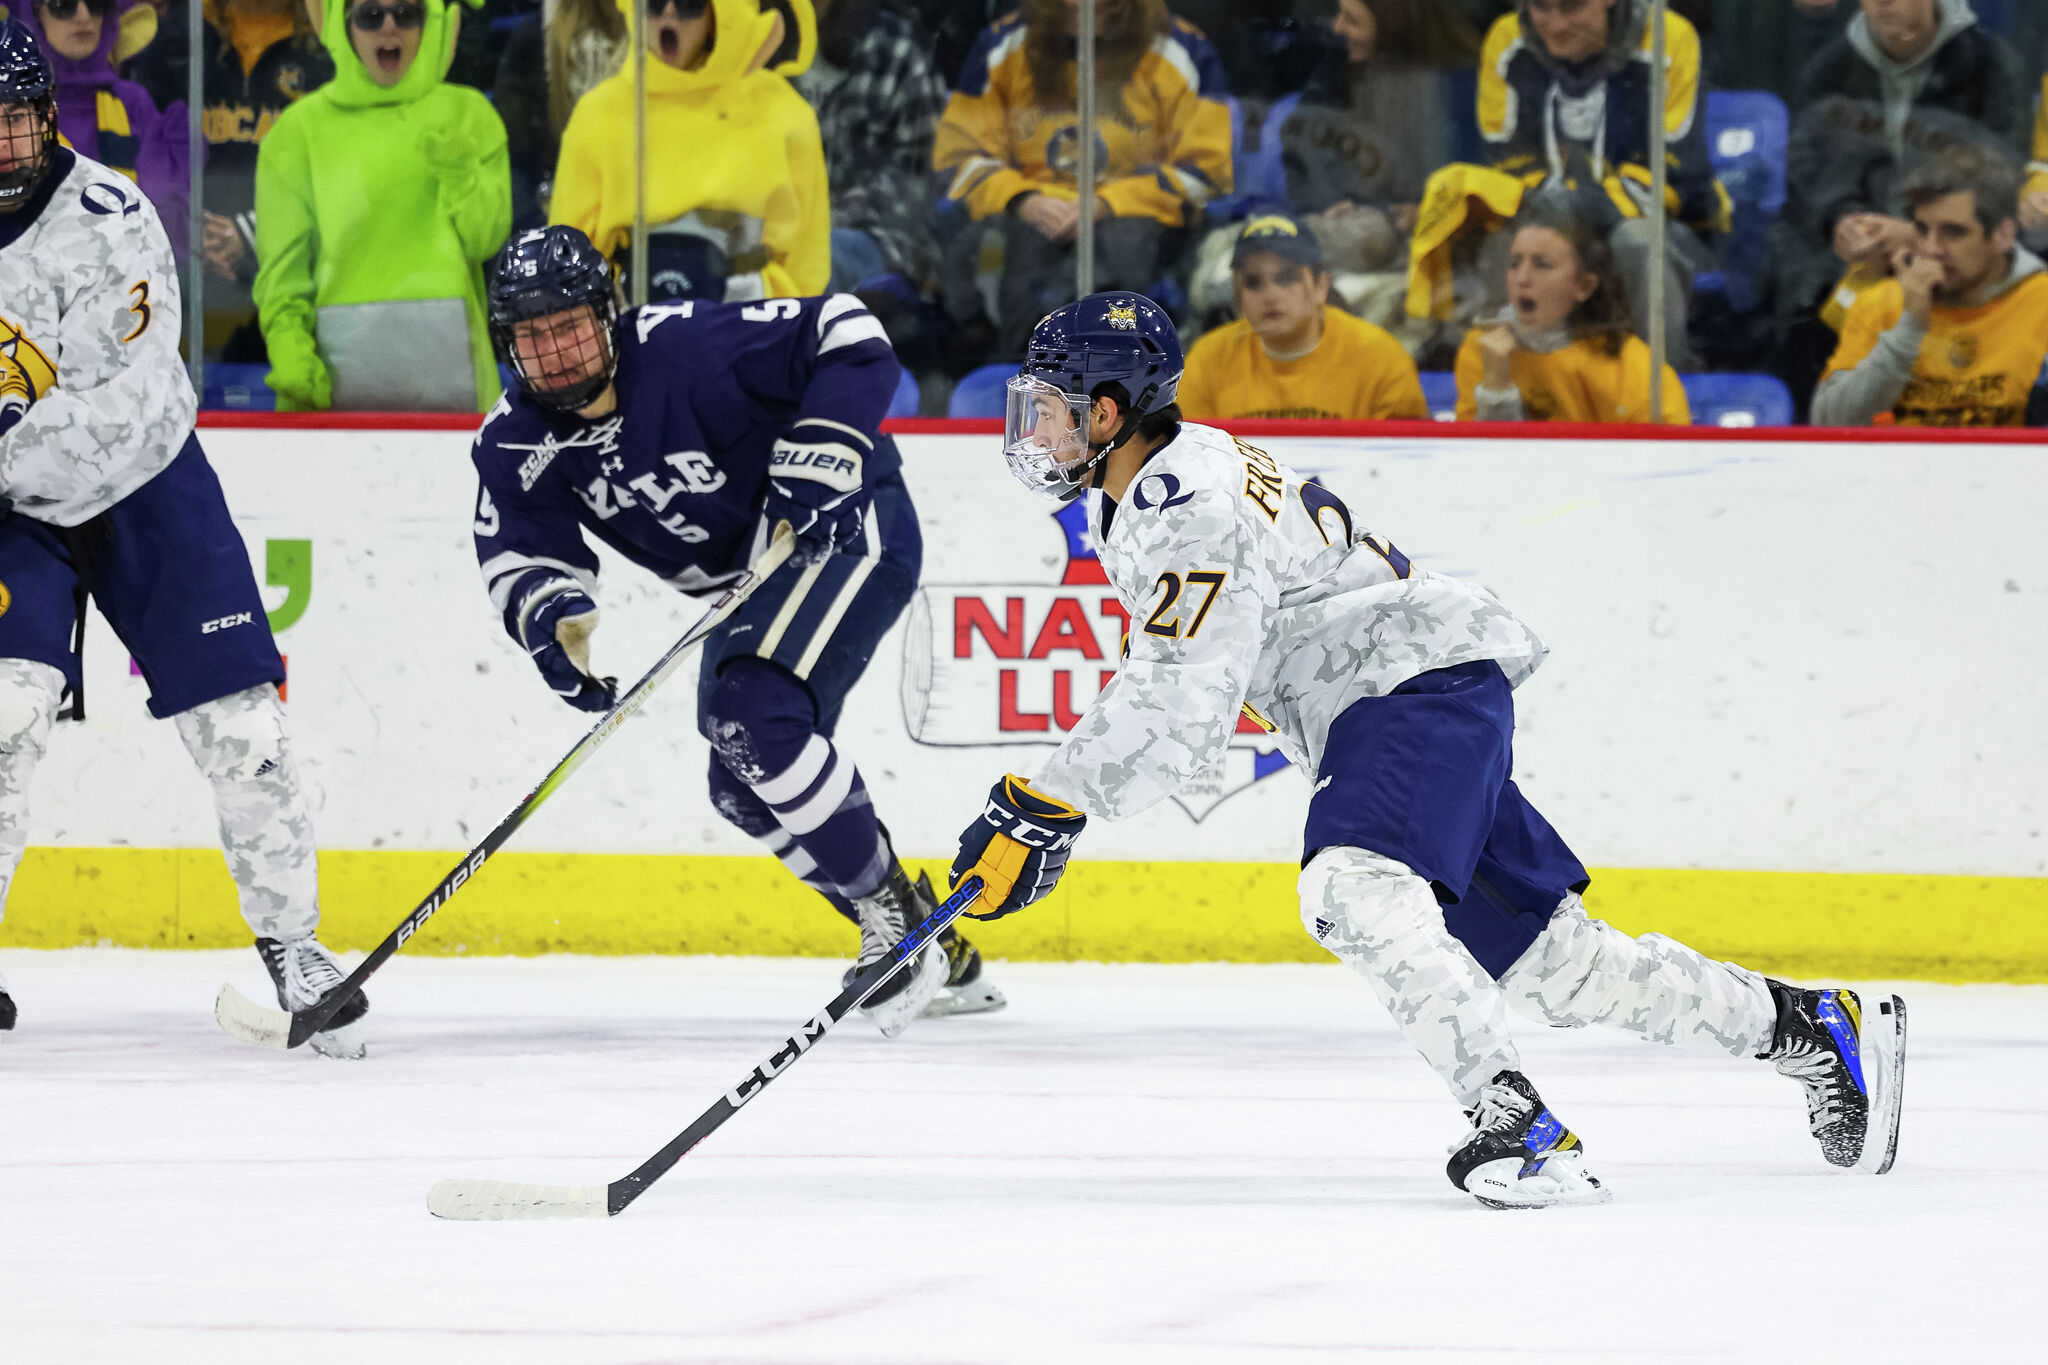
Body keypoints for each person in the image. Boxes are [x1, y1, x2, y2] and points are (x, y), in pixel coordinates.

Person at [937, 290, 1906, 1206]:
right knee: (1555, 964)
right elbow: (1179, 670)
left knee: (1350, 887)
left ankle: (1516, 1124)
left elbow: (1181, 697)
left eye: (1051, 410)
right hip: (1411, 694)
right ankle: (1808, 1026)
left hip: (1405, 692)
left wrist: (1044, 802)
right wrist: (1053, 800)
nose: (1036, 431)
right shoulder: (1157, 485)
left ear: (1107, 413)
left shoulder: (1184, 504)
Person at [470, 226, 1002, 1031]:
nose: (556, 352)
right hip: (753, 580)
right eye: (532, 335)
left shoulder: (684, 346)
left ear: (606, 314)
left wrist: (823, 448)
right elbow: (520, 549)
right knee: (740, 782)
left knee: (751, 719)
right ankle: (934, 940)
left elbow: (849, 331)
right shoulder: (514, 441)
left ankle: (894, 922)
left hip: (846, 527)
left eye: (569, 325)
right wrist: (551, 616)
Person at [0, 22, 365, 1054]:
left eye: (14, 121)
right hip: (14, 510)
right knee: (3, 717)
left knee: (244, 731)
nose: (1, 142)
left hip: (145, 486)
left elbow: (114, 411)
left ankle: (295, 945)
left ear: (46, 118)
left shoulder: (108, 219)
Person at [1768, 0, 2028, 416]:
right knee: (1792, 280)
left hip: (1954, 233)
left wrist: (1918, 231)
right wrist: (1843, 219)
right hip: (1853, 245)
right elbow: (1807, 168)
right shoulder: (1829, 68)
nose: (1883, 1)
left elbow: (2001, 175)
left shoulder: (1990, 64)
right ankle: (1806, 427)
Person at [932, 0, 1232, 353]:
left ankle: (1125, 365)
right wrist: (1022, 200)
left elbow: (1205, 175)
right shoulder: (1002, 45)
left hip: (1135, 234)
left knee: (1126, 243)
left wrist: (1107, 204)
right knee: (1011, 247)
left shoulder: (1182, 49)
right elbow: (957, 158)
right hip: (1027, 227)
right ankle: (1019, 363)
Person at [253, 0, 511, 411]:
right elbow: (283, 273)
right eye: (370, 16)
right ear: (343, 25)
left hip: (456, 381)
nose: (389, 27)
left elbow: (485, 240)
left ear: (431, 21)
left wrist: (462, 174)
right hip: (331, 383)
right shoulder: (297, 131)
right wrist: (289, 346)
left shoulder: (469, 114)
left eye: (407, 13)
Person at [1469, 0, 1728, 356]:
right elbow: (1507, 163)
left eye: (1572, 7)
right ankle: (1510, 381)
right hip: (1548, 218)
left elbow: (1673, 171)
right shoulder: (1506, 39)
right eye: (1541, 7)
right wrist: (1557, 220)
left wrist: (1574, 209)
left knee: (1636, 244)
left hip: (1666, 224)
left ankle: (1665, 379)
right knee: (1502, 247)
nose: (1556, 25)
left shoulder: (1667, 36)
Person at [549, 0, 827, 304]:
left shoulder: (782, 114)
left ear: (723, 13)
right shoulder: (598, 115)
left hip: (751, 322)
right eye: (654, 3)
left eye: (688, 3)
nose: (669, 12)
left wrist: (786, 321)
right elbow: (566, 258)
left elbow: (807, 261)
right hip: (631, 321)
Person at [122, 0, 333, 360]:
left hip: (296, 287)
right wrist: (181, 225)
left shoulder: (333, 47)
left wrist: (252, 232)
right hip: (182, 290)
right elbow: (138, 154)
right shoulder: (175, 38)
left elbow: (336, 178)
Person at [1813, 144, 2048, 426]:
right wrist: (1908, 328)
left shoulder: (2041, 304)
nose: (1930, 249)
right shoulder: (1883, 302)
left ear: (2003, 235)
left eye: (1953, 232)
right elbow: (1827, 424)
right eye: (1922, 230)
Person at [1178, 214, 1428, 421]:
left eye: (1287, 278)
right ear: (1237, 295)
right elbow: (1187, 456)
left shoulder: (1380, 359)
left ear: (1321, 285)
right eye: (1253, 282)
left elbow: (1406, 460)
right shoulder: (1207, 361)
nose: (1270, 295)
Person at [1453, 203, 1687, 422]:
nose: (1521, 278)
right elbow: (1472, 449)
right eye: (1514, 264)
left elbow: (1667, 445)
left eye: (1542, 265)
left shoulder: (1630, 364)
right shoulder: (1482, 349)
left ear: (1584, 286)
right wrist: (1495, 390)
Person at [790, 0, 947, 294]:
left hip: (875, 235)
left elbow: (921, 175)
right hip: (772, 228)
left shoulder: (896, 47)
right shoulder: (755, 43)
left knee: (817, 262)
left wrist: (821, 219)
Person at [19, 0, 188, 255]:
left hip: (128, 271)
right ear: (33, 16)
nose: (84, 16)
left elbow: (161, 221)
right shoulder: (11, 106)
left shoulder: (132, 101)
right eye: (63, 5)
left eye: (97, 4)